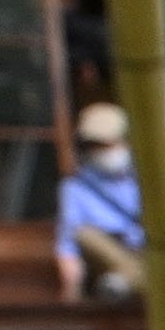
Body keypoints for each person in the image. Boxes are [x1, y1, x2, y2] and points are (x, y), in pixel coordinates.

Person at [53, 103, 147, 300]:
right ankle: (140, 281)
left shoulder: (142, 179)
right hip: (107, 257)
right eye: (99, 146)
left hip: (148, 252)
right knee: (85, 234)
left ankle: (127, 281)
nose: (107, 151)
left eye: (112, 143)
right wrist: (71, 289)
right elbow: (67, 243)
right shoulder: (75, 187)